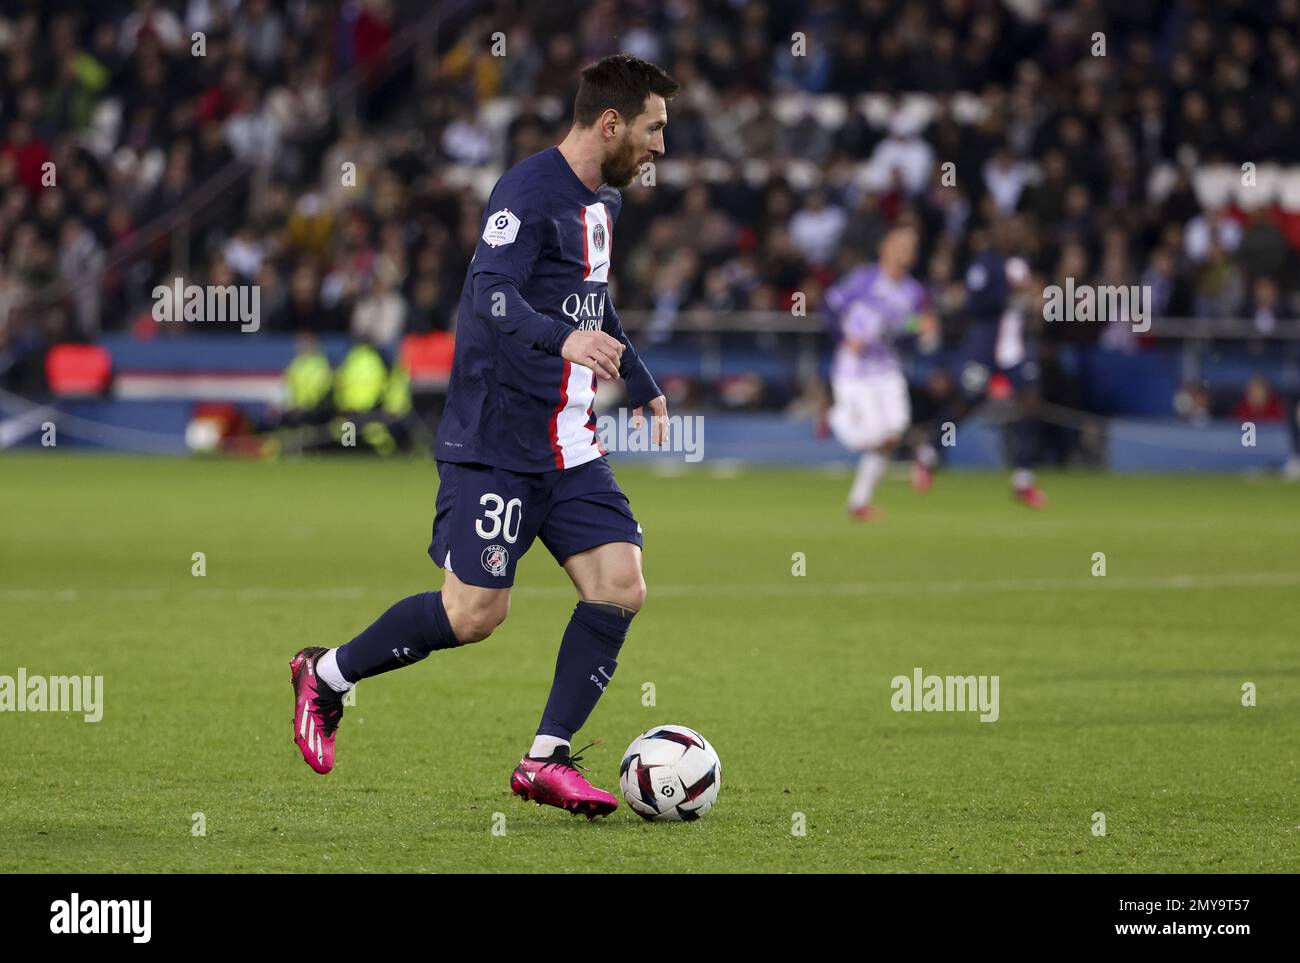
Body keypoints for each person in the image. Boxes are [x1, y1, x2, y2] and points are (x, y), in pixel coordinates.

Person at [289, 55, 676, 819]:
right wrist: (563, 341)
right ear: (611, 123)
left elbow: (593, 301)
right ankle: (326, 674)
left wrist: (643, 375)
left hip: (570, 442)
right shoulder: (528, 192)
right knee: (474, 615)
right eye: (654, 128)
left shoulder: (607, 203)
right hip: (498, 439)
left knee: (620, 585)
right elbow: (489, 296)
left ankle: (545, 759)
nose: (662, 145)